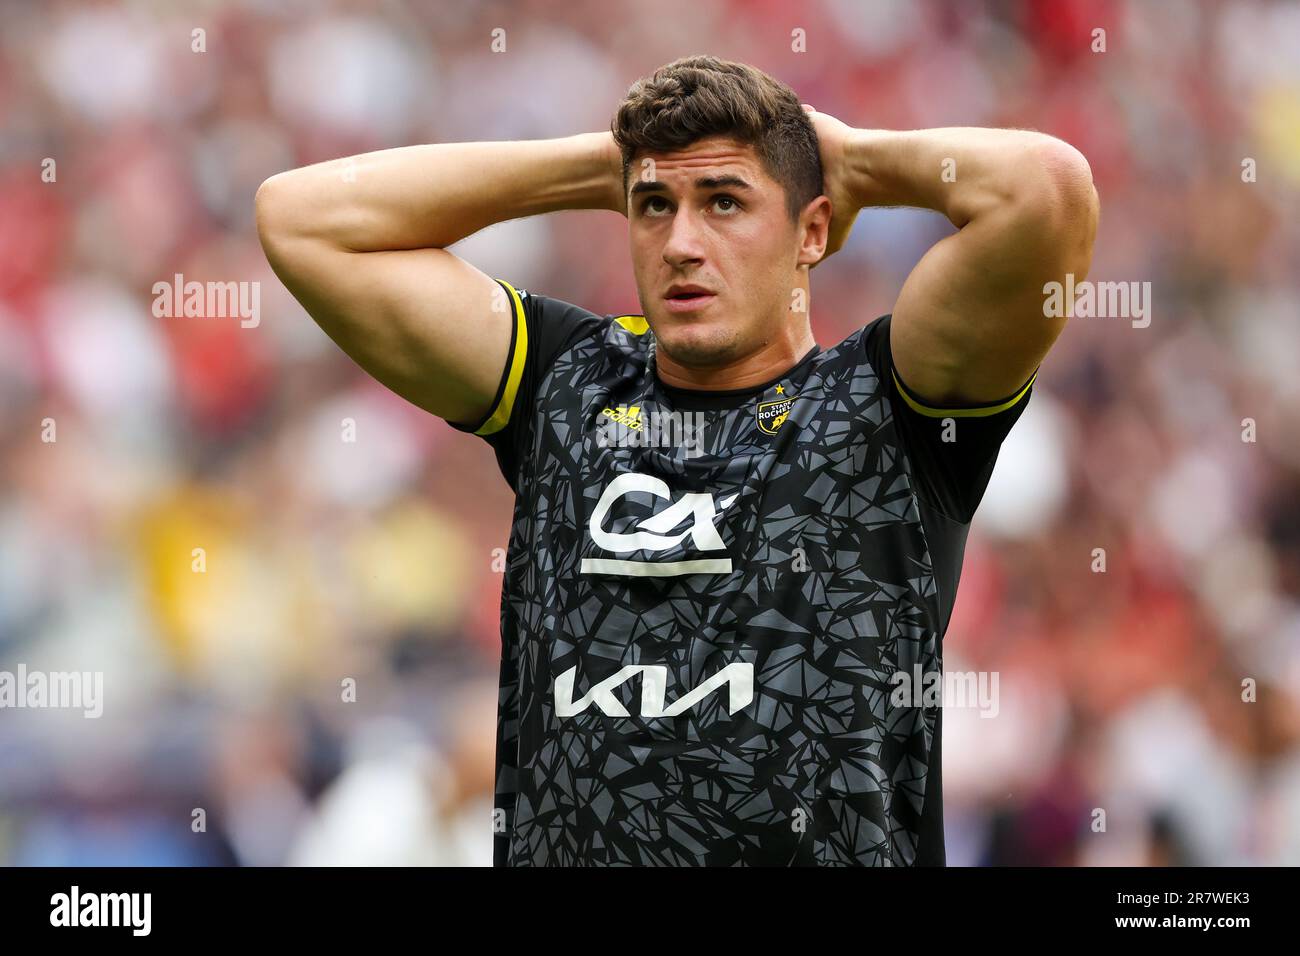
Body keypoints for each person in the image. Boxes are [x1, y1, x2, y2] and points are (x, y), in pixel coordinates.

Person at [255, 54, 1099, 866]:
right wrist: (604, 168)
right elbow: (302, 218)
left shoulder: (890, 405)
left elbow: (1047, 190)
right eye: (654, 207)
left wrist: (850, 161)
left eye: (725, 201)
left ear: (812, 228)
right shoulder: (564, 380)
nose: (681, 243)